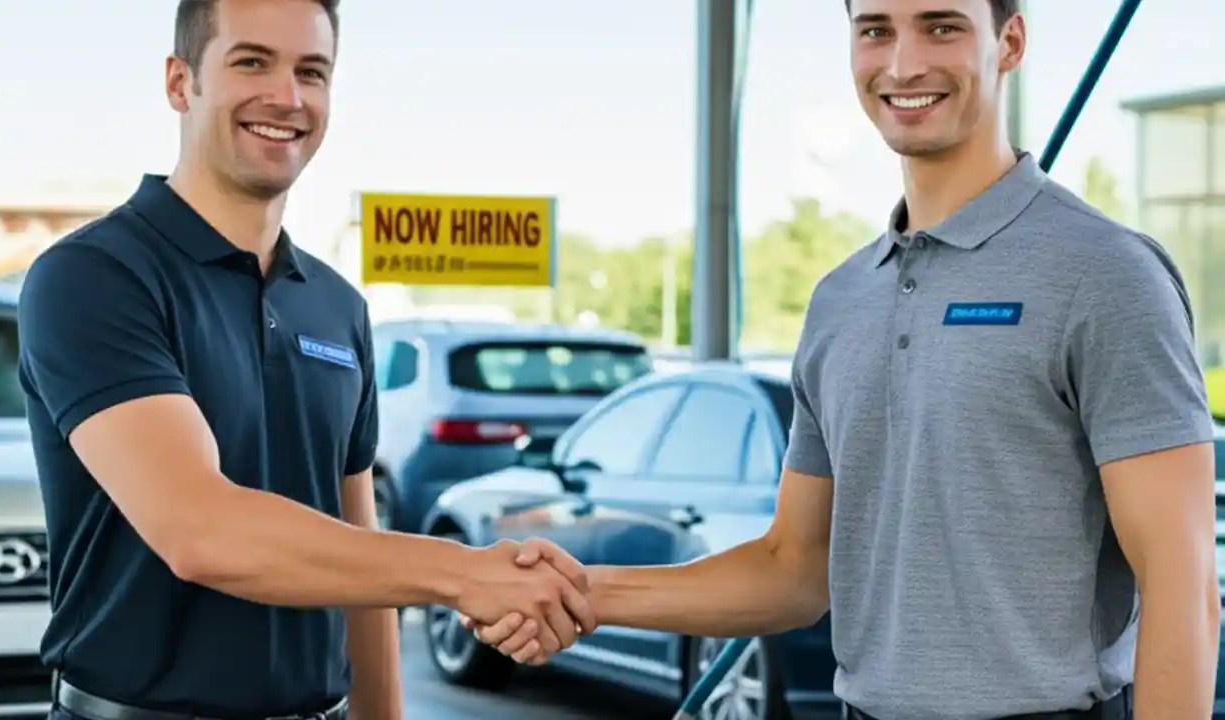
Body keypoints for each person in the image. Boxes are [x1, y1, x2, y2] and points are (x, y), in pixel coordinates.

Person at [466, 1, 1221, 718]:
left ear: (1011, 44)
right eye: (875, 31)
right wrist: (583, 593)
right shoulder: (840, 301)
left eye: (941, 26)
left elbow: (1183, 585)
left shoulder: (1107, 274)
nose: (903, 63)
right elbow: (792, 568)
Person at [16, 1, 593, 719]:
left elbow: (360, 556)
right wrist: (462, 574)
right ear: (179, 81)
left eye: (311, 72)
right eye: (251, 61)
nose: (287, 97)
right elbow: (201, 531)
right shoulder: (96, 276)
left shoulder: (337, 307)